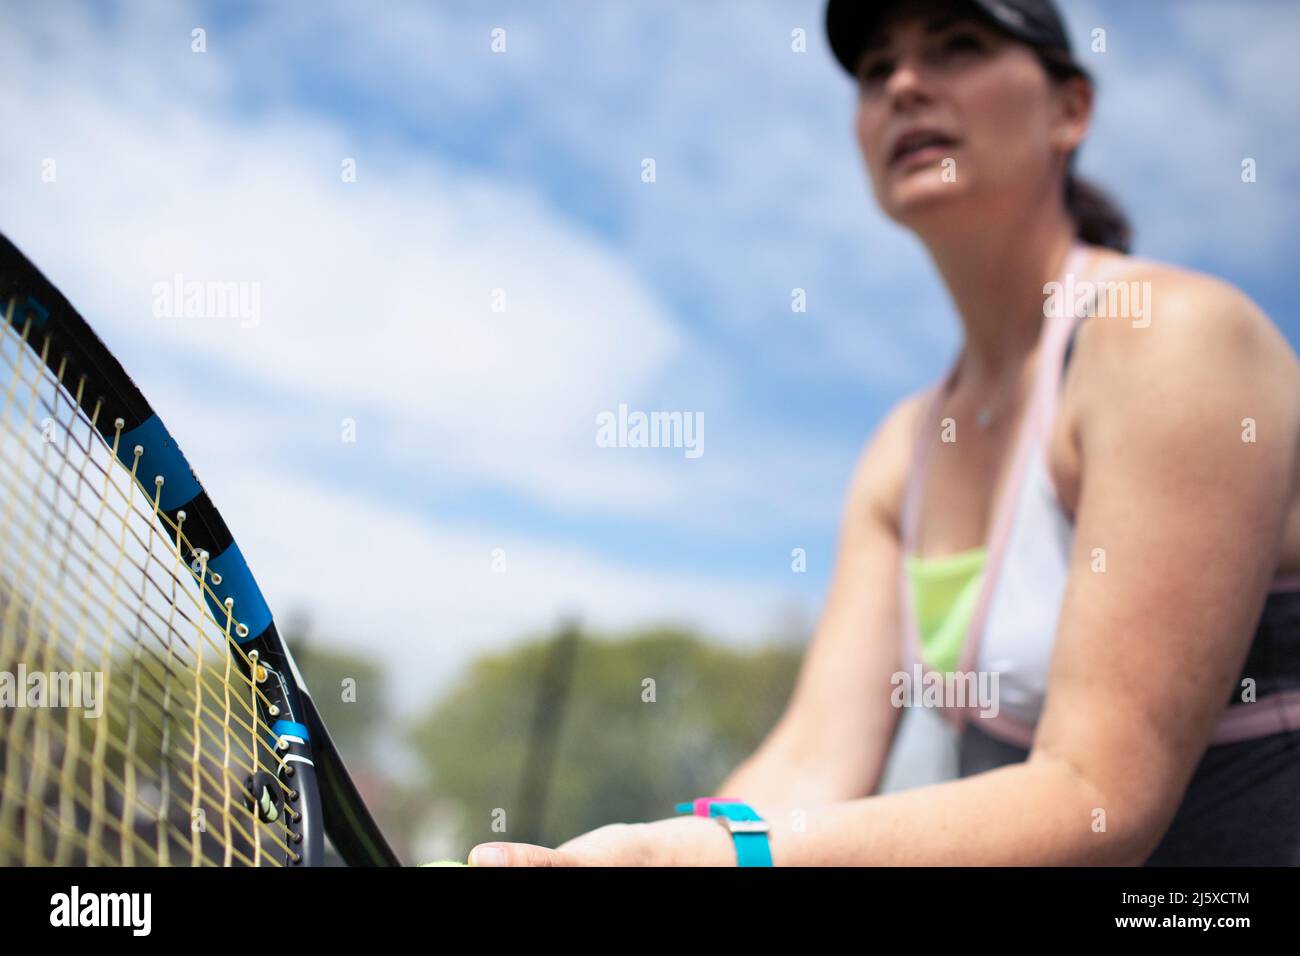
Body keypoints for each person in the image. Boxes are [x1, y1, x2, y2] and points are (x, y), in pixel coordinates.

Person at [467, 0, 1300, 866]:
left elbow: (1098, 795)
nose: (904, 84)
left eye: (959, 46)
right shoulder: (903, 447)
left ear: (1070, 111)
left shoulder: (1174, 338)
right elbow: (812, 759)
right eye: (876, 71)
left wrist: (691, 860)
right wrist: (621, 851)